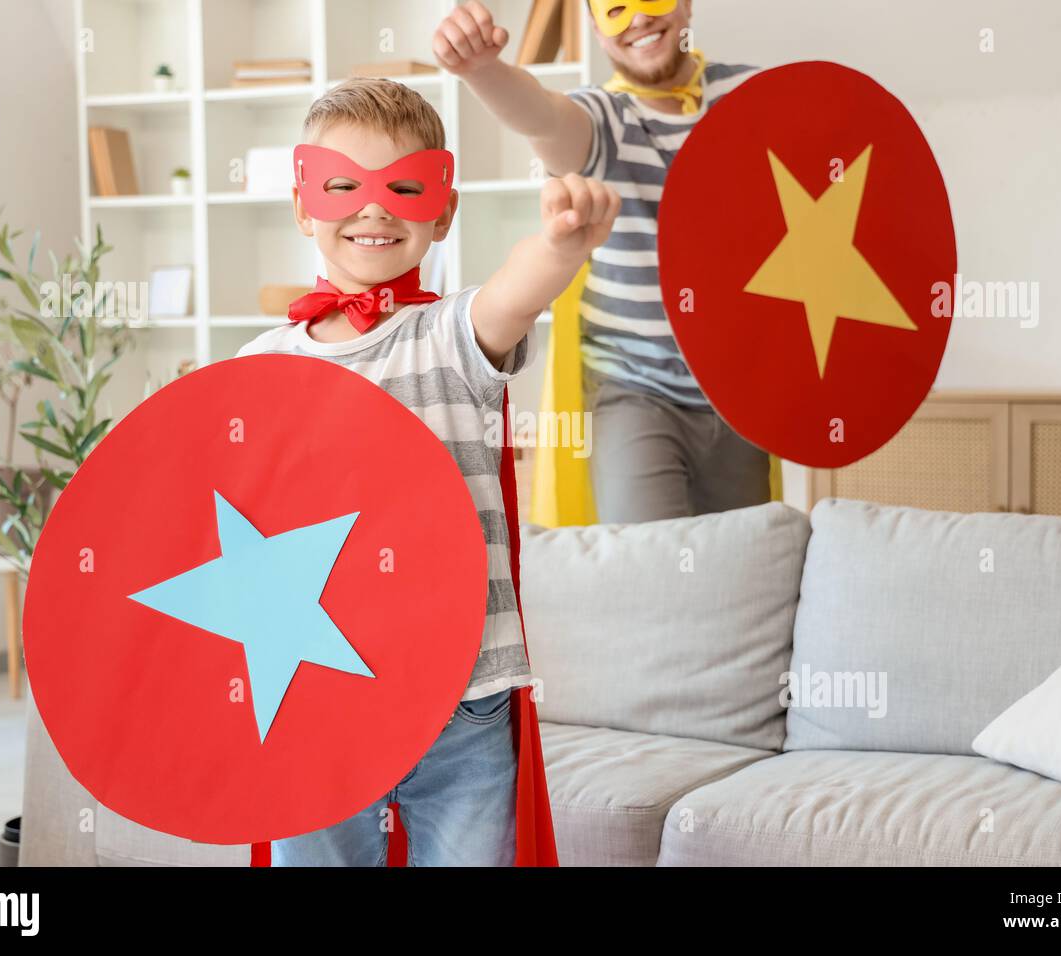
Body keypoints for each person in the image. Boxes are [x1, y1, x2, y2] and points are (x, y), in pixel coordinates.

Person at [237, 78, 619, 865]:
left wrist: (560, 245)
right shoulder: (261, 364)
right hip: (317, 690)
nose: (374, 211)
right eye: (343, 187)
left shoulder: (452, 336)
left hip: (462, 696)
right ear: (304, 207)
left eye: (404, 189)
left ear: (442, 212)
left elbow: (516, 294)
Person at [433, 0, 771, 523]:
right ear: (595, 28)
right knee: (647, 555)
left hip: (739, 389)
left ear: (685, 5)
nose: (639, 19)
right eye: (615, 7)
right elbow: (545, 118)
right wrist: (483, 70)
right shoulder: (605, 117)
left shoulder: (752, 97)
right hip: (634, 386)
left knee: (744, 553)